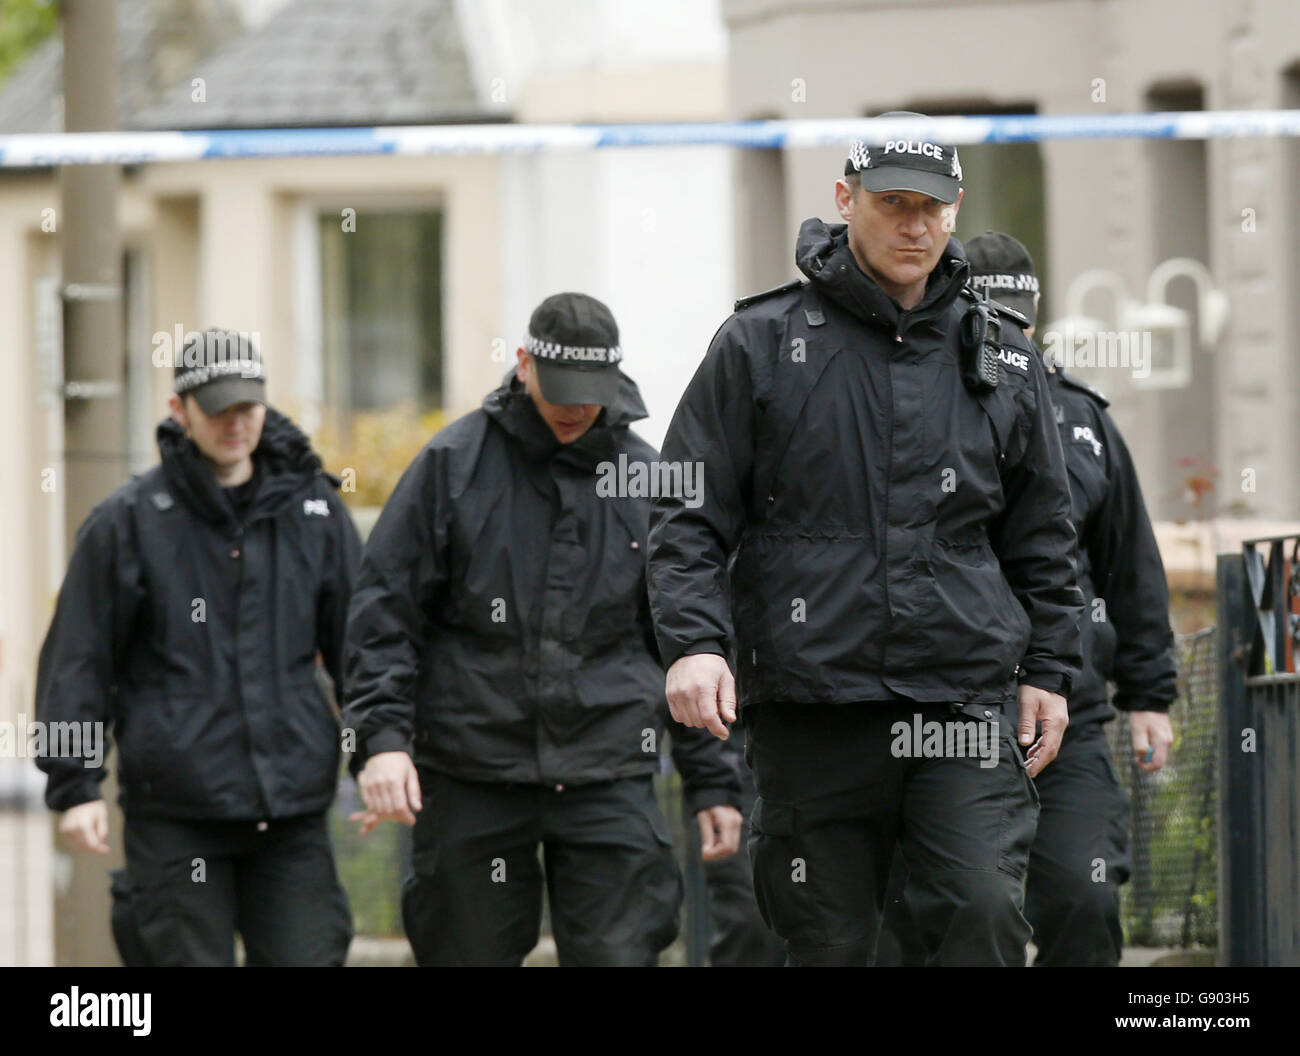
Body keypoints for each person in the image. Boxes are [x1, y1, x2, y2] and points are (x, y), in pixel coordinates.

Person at [646, 114, 1084, 967]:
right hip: (813, 707)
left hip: (959, 701)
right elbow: (684, 508)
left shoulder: (1003, 358)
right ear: (846, 199)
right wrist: (693, 644)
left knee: (983, 912)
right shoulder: (761, 345)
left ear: (956, 213)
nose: (915, 225)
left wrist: (1053, 674)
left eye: (934, 207)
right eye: (893, 204)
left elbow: (1044, 535)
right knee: (829, 941)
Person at [342, 292, 743, 967]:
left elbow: (686, 641)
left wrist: (714, 782)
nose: (576, 407)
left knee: (622, 954)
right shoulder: (452, 467)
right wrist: (381, 741)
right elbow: (384, 616)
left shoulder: (648, 479)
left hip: (606, 767)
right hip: (472, 768)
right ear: (523, 364)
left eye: (592, 391)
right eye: (561, 388)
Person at [878, 232, 1178, 967]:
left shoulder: (1084, 422)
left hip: (1065, 712)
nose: (1006, 332)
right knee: (945, 914)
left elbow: (1128, 566)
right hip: (950, 708)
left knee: (1084, 895)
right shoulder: (905, 406)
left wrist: (1151, 696)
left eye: (1019, 316)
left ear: (1037, 319)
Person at [35, 330, 360, 966]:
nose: (235, 424)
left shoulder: (314, 511)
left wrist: (384, 752)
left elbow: (362, 648)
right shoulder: (127, 522)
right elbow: (78, 659)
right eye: (217, 409)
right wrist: (74, 786)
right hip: (177, 817)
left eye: (248, 407)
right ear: (179, 410)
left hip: (289, 813)